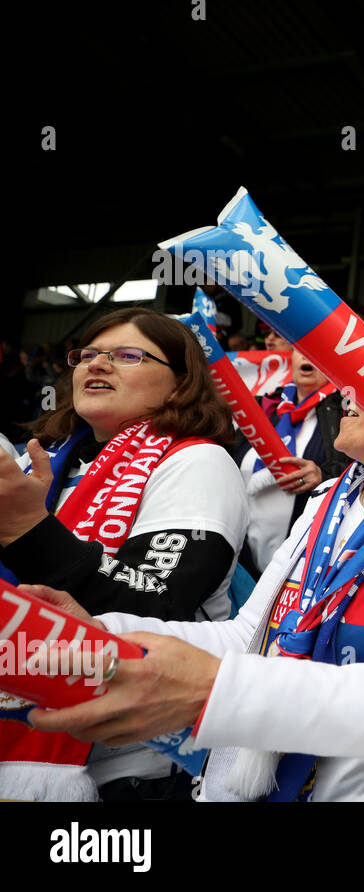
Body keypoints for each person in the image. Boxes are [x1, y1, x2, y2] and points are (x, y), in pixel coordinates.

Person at [28, 312, 364, 802]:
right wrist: (100, 632)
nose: (344, 392)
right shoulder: (329, 502)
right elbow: (246, 637)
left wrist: (216, 690)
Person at [0, 307, 248, 800]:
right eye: (87, 354)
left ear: (180, 384)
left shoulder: (197, 461)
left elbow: (155, 603)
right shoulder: (50, 460)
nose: (97, 364)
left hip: (130, 767)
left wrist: (27, 529)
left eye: (127, 355)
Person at [237, 348, 348, 575]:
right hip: (245, 557)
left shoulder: (347, 412)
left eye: (317, 350)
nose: (307, 355)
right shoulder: (266, 407)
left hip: (301, 563)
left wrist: (323, 478)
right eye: (301, 350)